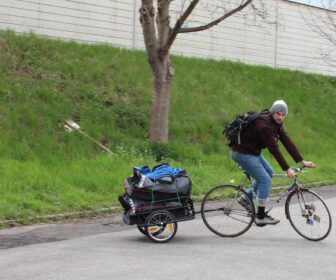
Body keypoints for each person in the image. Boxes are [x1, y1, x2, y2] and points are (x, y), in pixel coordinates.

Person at [229, 100, 315, 225]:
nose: (280, 117)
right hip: (241, 153)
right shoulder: (263, 125)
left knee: (269, 173)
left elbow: (287, 141)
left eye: (283, 114)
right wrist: (286, 168)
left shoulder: (277, 123)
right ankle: (260, 216)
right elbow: (274, 149)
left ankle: (245, 198)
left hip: (253, 152)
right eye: (278, 114)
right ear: (272, 112)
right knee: (265, 180)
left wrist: (302, 161)